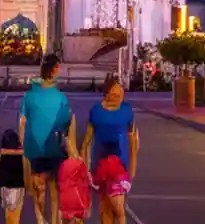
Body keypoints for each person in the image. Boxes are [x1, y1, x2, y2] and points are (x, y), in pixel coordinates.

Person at [19, 54, 77, 224]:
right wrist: (73, 151)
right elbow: (68, 123)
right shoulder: (60, 98)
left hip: (35, 149)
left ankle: (40, 219)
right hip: (55, 148)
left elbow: (22, 122)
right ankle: (54, 221)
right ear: (53, 70)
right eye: (58, 67)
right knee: (55, 190)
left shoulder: (29, 96)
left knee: (38, 190)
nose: (59, 70)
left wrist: (23, 147)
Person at [82, 75, 138, 224]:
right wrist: (85, 168)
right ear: (106, 94)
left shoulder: (127, 111)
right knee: (105, 207)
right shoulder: (96, 111)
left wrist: (133, 167)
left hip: (120, 166)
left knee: (118, 208)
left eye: (120, 94)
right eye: (115, 94)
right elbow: (87, 141)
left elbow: (133, 141)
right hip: (99, 166)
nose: (118, 97)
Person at [0, 130, 28, 224]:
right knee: (15, 216)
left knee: (8, 215)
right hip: (18, 189)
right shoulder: (22, 157)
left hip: (5, 190)